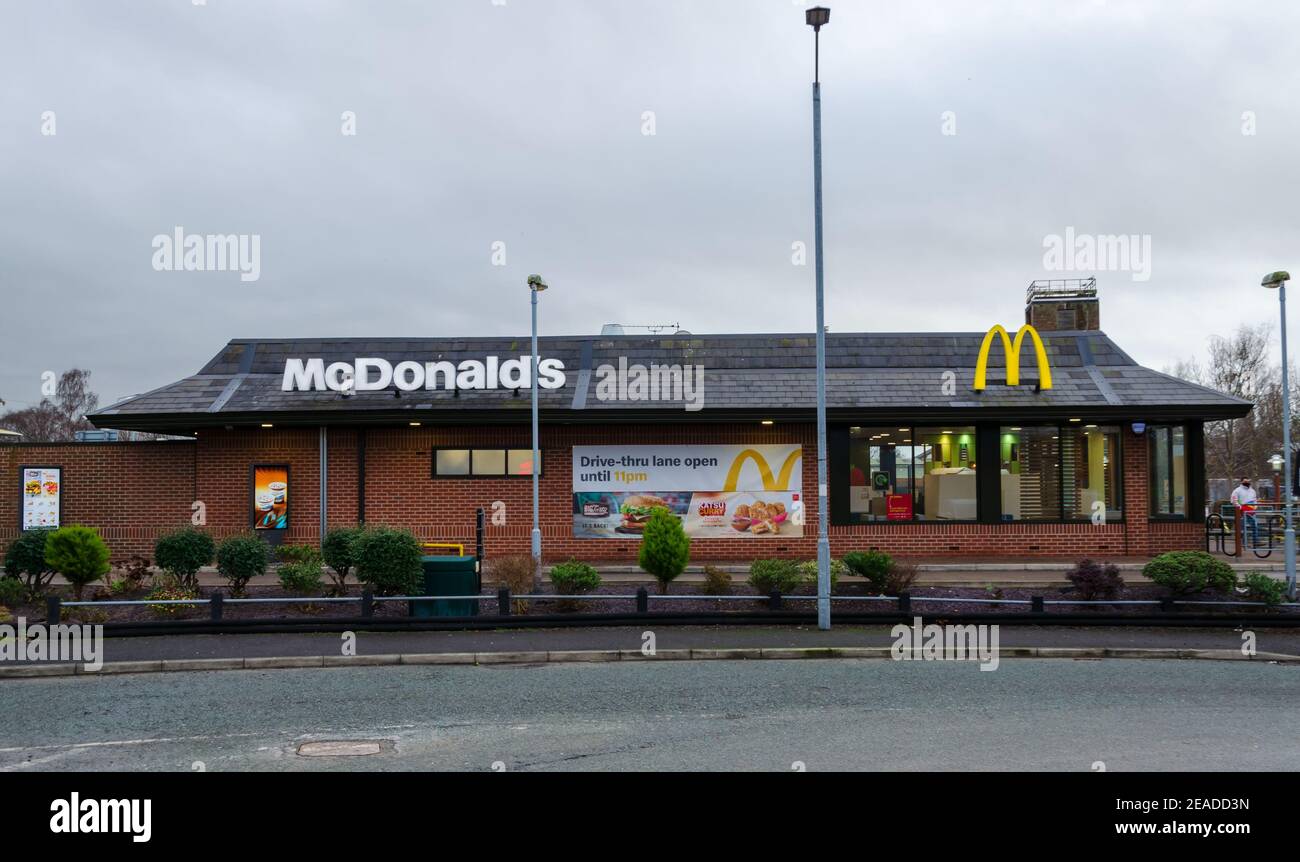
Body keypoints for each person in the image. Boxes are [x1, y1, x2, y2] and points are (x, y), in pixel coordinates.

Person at [1230, 478, 1259, 548]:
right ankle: (1243, 543)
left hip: (1251, 511)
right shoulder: (1237, 491)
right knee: (1243, 528)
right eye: (1245, 481)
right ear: (1241, 482)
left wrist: (1255, 507)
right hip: (1241, 512)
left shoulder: (1252, 491)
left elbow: (1255, 500)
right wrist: (1240, 508)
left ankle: (1255, 541)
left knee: (1254, 526)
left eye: (1248, 481)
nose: (1247, 482)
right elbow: (1233, 501)